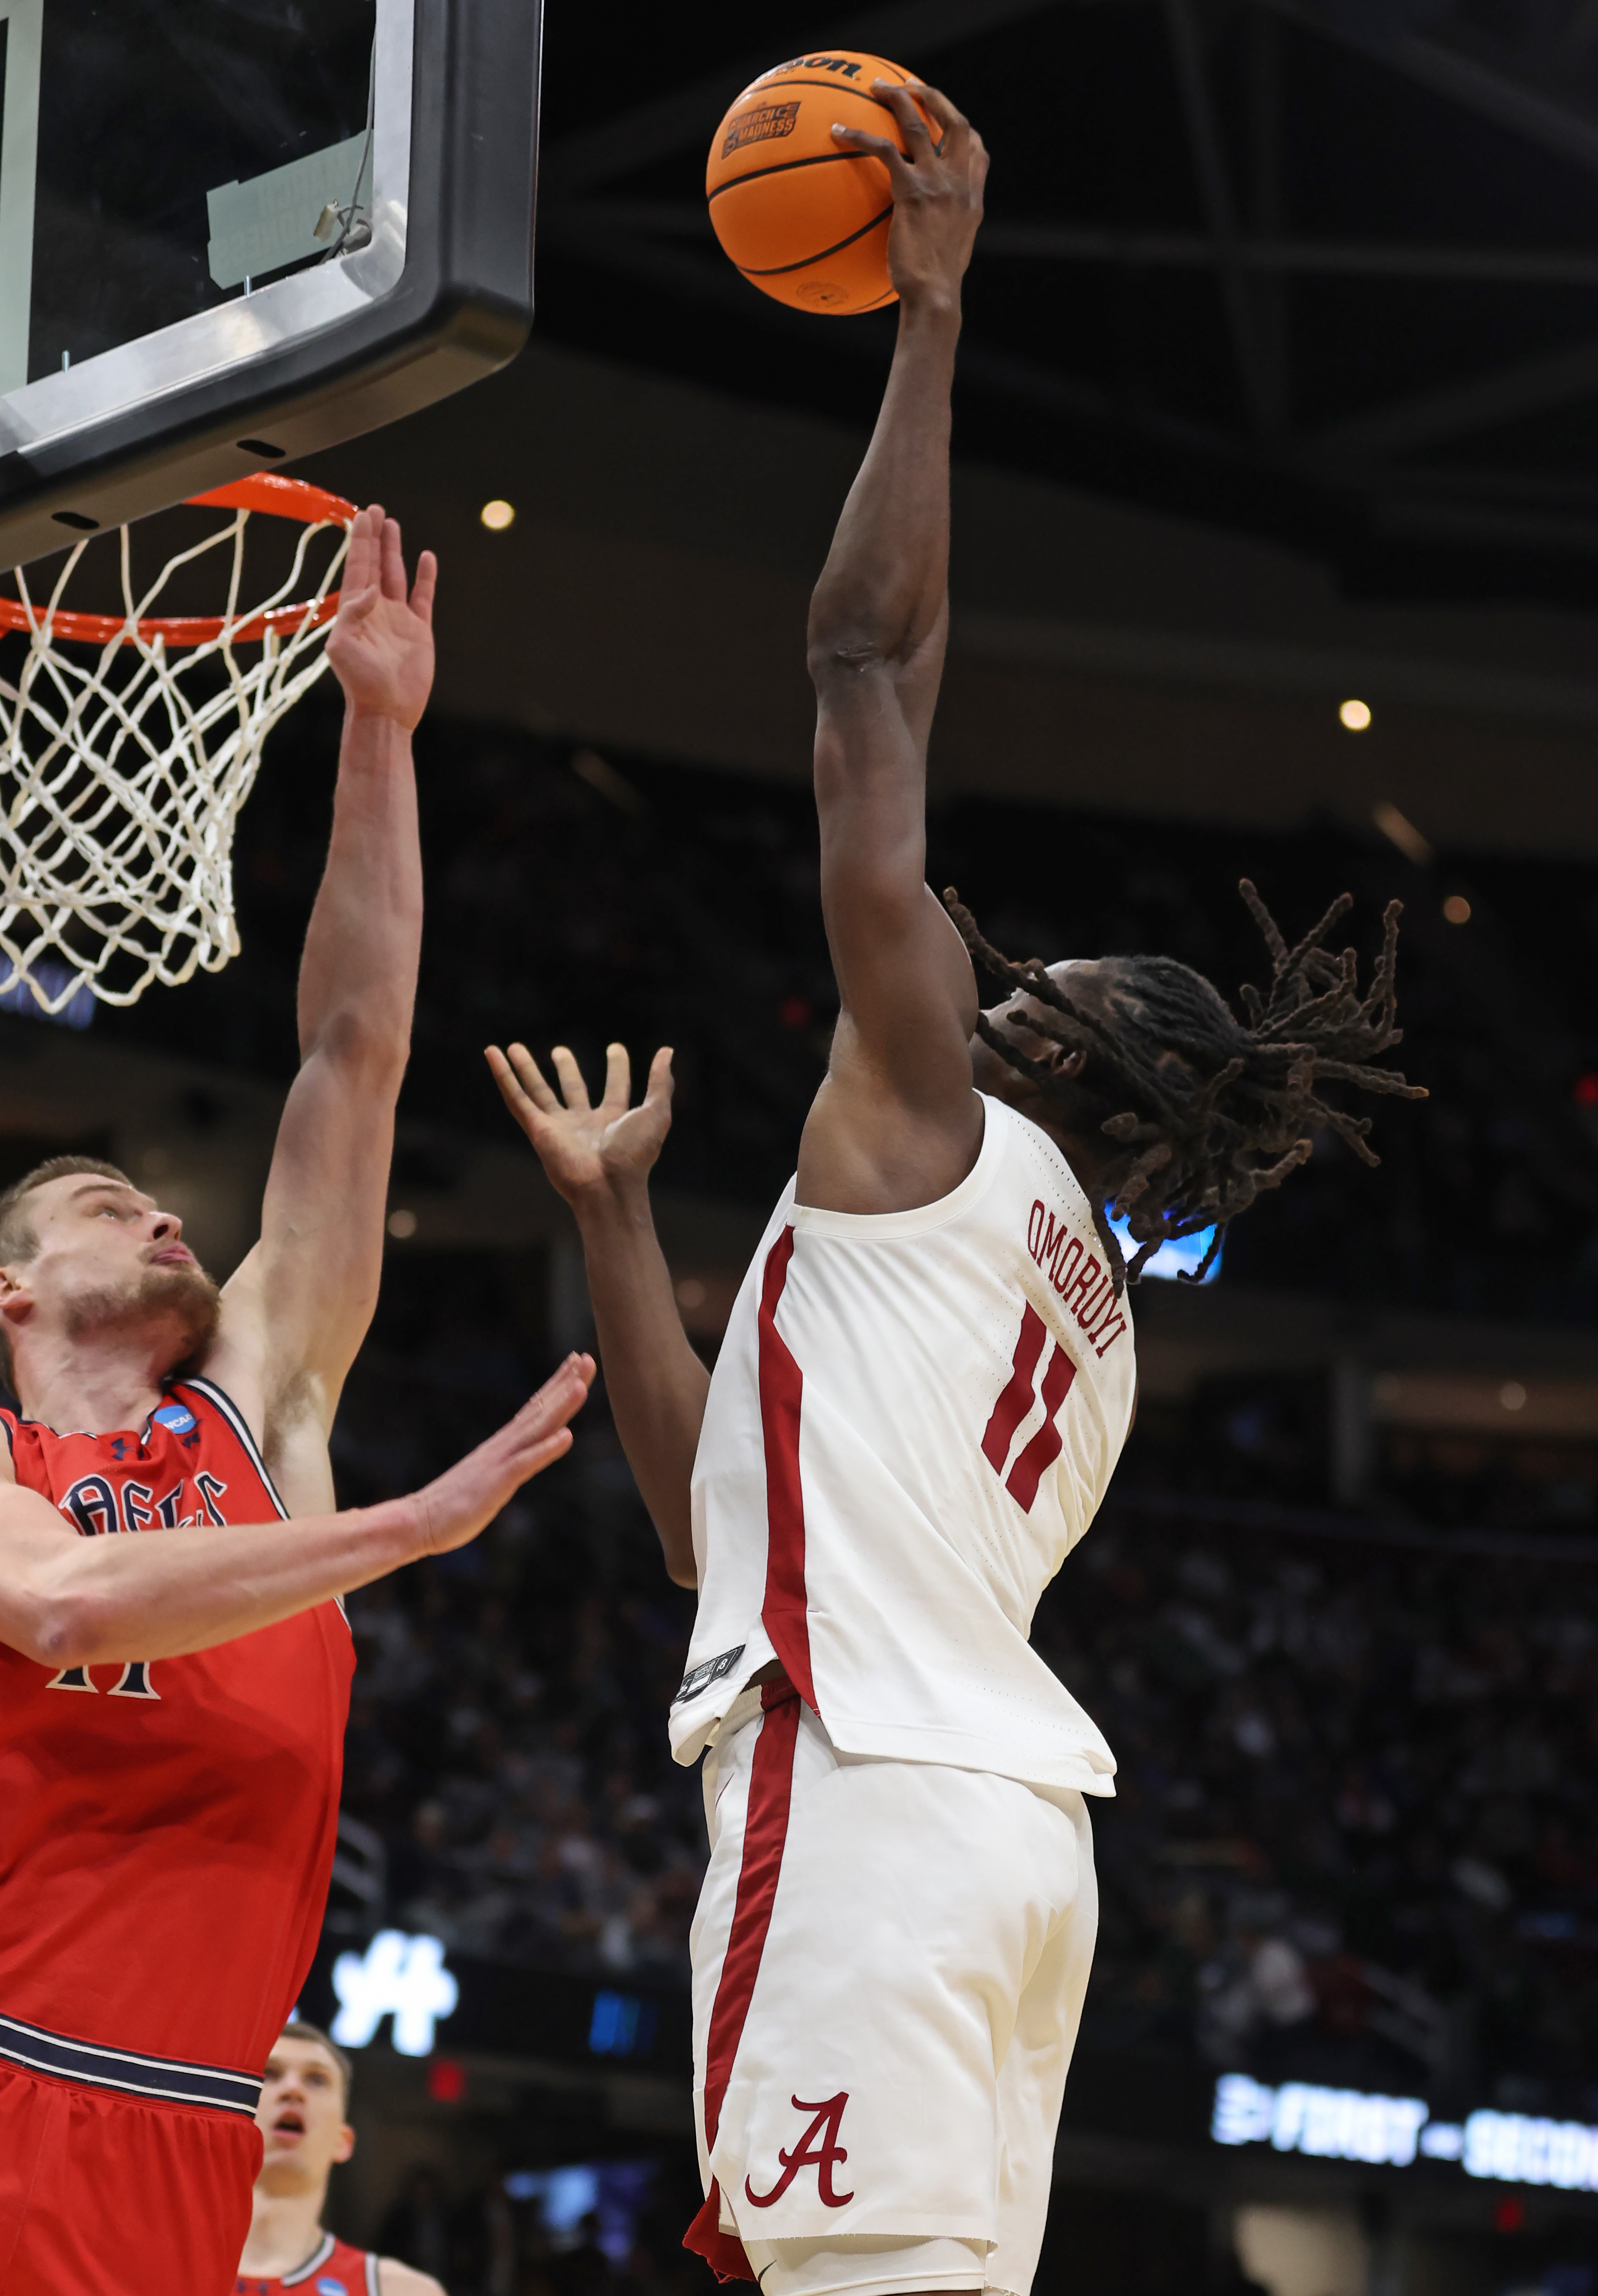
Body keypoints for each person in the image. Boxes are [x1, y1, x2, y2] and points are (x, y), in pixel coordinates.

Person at [487, 74, 1421, 2296]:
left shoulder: (934, 1122)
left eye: (1045, 984)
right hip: (1011, 1848)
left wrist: (926, 319)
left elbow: (856, 671)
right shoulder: (1091, 1323)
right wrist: (615, 1220)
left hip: (875, 1812)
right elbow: (714, 1527)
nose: (1004, 972)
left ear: (1073, 1060)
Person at [0, 506, 596, 2296]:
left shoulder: (264, 1408)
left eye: (155, 1200)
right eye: (97, 1203)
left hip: (181, 2140)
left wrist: (378, 735)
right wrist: (407, 1526)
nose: (156, 1212)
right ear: (9, 1289)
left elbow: (353, 1052)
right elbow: (60, 1601)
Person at [234, 2021, 444, 2296]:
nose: (293, 2089)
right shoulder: (175, 2267)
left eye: (317, 2079)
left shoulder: (402, 2291)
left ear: (342, 2142)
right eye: (270, 2074)